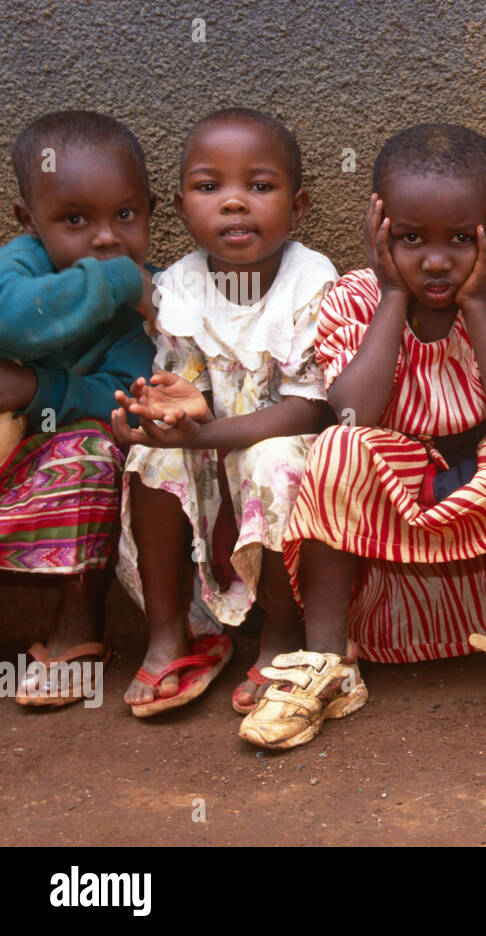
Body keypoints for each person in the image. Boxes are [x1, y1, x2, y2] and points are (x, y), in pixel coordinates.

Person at [239, 124, 486, 750]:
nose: (437, 259)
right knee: (337, 445)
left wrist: (476, 304)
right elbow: (354, 414)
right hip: (395, 493)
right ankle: (328, 660)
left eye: (461, 239)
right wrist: (392, 294)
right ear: (378, 229)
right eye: (410, 239)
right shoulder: (354, 299)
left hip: (485, 488)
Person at [111, 108, 336, 717]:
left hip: (283, 444)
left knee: (272, 460)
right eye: (210, 188)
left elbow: (309, 410)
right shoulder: (179, 286)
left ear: (299, 205)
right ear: (182, 208)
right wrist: (158, 419)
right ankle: (170, 632)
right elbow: (186, 387)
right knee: (153, 455)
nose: (234, 204)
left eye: (259, 187)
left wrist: (205, 434)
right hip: (211, 445)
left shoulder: (310, 281)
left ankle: (281, 635)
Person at [1, 111, 157, 706]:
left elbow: (129, 393)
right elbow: (13, 320)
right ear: (29, 223)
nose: (106, 239)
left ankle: (78, 630)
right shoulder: (19, 267)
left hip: (54, 477)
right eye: (74, 219)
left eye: (125, 214)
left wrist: (38, 390)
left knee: (96, 449)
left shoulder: (148, 304)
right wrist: (117, 280)